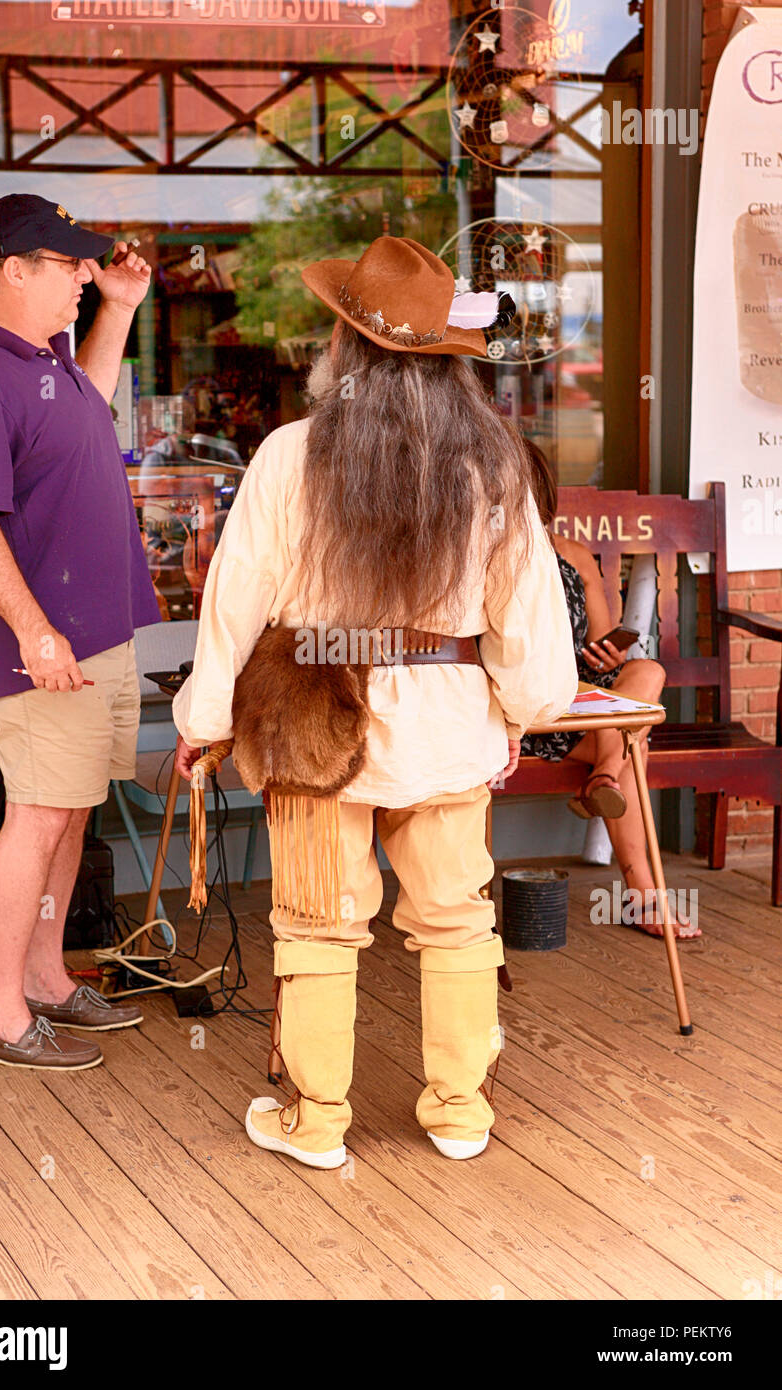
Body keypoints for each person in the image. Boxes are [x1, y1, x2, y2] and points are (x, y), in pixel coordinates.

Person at [173, 235, 577, 1167]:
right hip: (446, 725)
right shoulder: (497, 466)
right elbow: (531, 626)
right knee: (458, 919)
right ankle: (460, 1113)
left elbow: (232, 607)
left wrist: (205, 725)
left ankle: (316, 1125)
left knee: (317, 922)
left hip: (311, 722)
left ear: (345, 350)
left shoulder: (286, 457)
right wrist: (516, 715)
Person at [0, 194, 161, 1069]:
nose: (84, 277)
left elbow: (86, 407)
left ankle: (49, 978)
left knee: (71, 812)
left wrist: (119, 310)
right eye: (69, 266)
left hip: (97, 630)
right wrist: (34, 630)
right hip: (47, 644)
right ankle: (1, 1015)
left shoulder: (42, 355)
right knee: (36, 815)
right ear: (11, 272)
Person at [520, 439, 700, 940]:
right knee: (633, 743)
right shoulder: (492, 563)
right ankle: (643, 896)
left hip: (588, 697)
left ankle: (602, 777)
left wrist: (609, 655)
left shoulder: (574, 555)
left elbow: (605, 639)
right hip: (538, 702)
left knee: (648, 674)